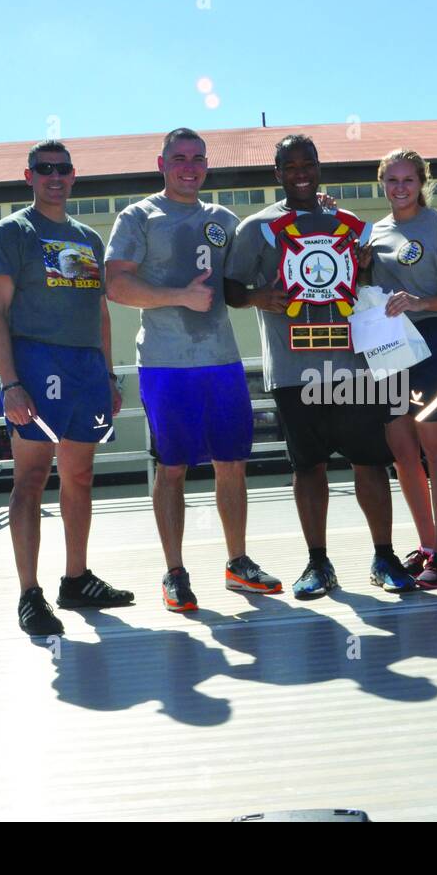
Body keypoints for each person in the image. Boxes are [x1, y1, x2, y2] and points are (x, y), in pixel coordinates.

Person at [224, 134, 417, 597]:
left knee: (370, 461)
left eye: (307, 163)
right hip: (293, 370)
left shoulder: (346, 222)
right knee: (307, 467)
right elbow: (231, 290)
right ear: (278, 174)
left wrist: (366, 267)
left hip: (353, 366)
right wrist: (255, 297)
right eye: (290, 166)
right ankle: (318, 563)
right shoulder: (257, 228)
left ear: (318, 167)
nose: (301, 172)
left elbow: (366, 285)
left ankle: (385, 556)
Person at [105, 128, 282, 613]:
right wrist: (179, 295)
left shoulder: (224, 218)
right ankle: (175, 572)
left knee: (232, 463)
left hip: (221, 359)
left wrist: (319, 211)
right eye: (179, 158)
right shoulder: (139, 216)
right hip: (167, 365)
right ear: (161, 163)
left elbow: (257, 267)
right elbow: (116, 286)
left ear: (207, 165)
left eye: (198, 158)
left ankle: (237, 563)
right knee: (173, 467)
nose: (189, 166)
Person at [0, 140, 134, 637]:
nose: (54, 176)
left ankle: (76, 579)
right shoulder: (12, 233)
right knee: (30, 478)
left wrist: (108, 375)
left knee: (80, 475)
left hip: (85, 367)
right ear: (29, 176)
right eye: (44, 169)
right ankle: (29, 594)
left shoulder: (88, 238)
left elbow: (101, 313)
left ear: (73, 176)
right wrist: (11, 384)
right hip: (36, 362)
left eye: (62, 169)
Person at [361, 149, 437, 588]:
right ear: (382, 183)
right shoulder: (376, 233)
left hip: (433, 346)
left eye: (409, 180)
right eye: (392, 180)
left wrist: (421, 302)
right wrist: (364, 270)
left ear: (422, 181)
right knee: (403, 454)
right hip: (388, 350)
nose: (400, 188)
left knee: (436, 450)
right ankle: (426, 546)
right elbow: (367, 295)